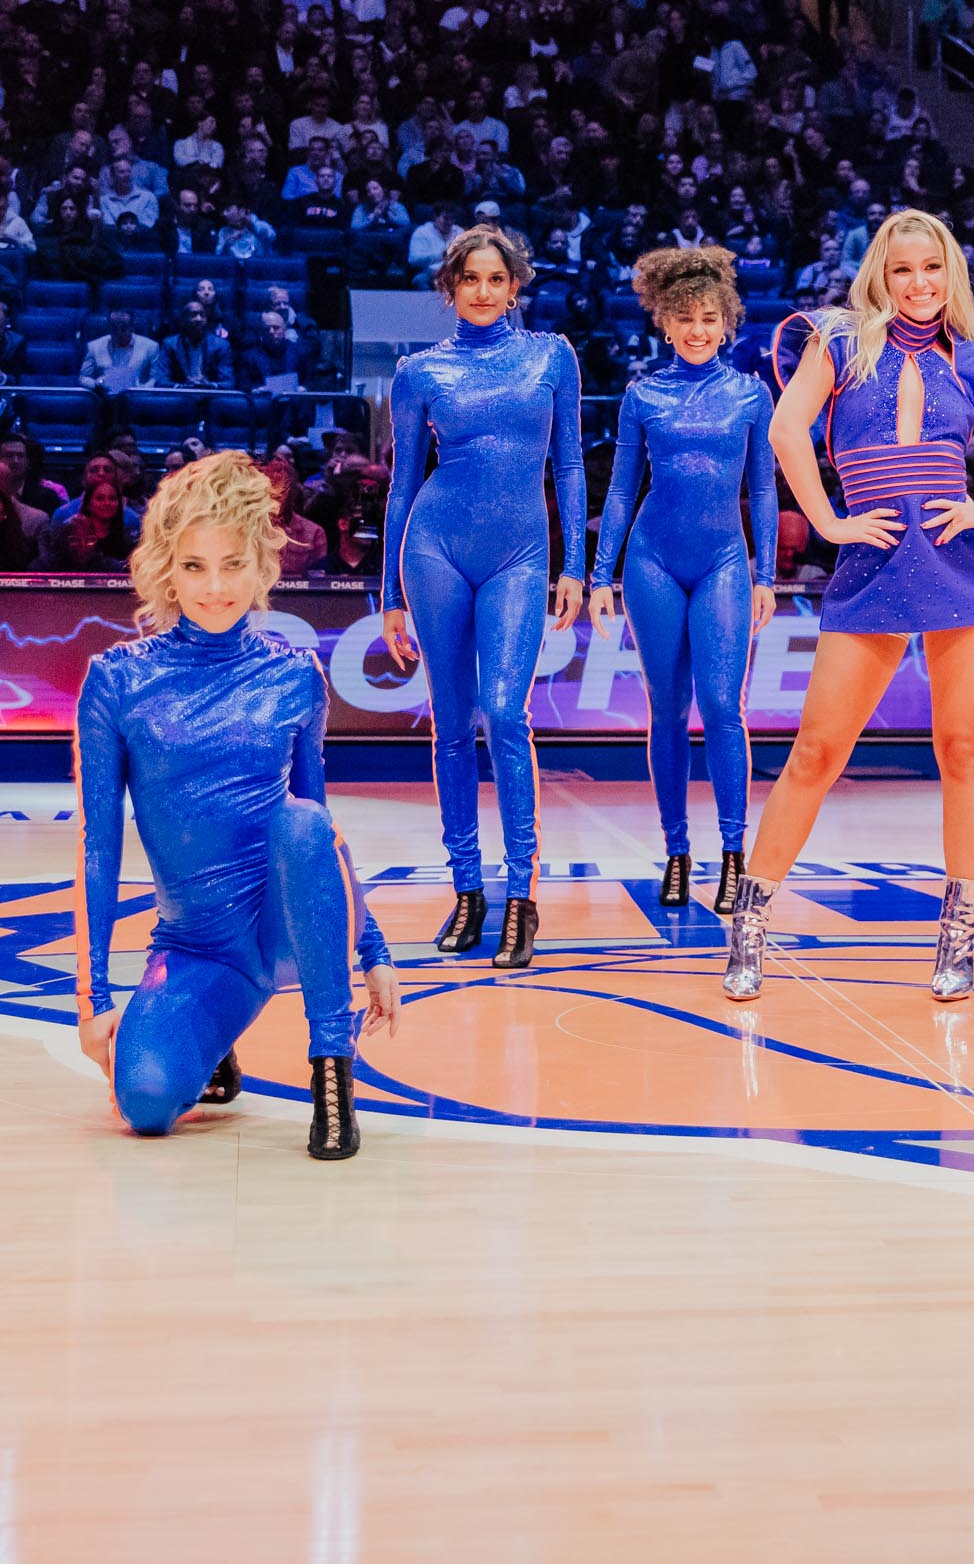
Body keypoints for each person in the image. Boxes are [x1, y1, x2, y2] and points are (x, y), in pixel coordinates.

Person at [723, 209, 974, 1004]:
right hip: (870, 563)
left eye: (931, 269)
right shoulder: (838, 340)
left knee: (962, 750)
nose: (918, 284)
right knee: (817, 752)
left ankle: (959, 937)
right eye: (902, 269)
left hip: (961, 567)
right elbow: (785, 431)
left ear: (950, 274)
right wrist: (825, 520)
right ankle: (748, 924)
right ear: (879, 276)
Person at [76, 452, 399, 1161]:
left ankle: (331, 1070)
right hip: (196, 945)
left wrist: (372, 947)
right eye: (193, 566)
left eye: (232, 564)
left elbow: (322, 831)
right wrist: (94, 995)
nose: (216, 586)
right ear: (165, 565)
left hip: (290, 926)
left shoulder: (294, 673)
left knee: (298, 819)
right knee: (147, 1104)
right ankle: (216, 1039)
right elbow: (99, 849)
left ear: (263, 565)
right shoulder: (116, 680)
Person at [379, 224, 587, 968]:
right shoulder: (419, 371)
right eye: (470, 278)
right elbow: (403, 484)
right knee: (450, 723)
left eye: (496, 278)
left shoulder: (550, 356)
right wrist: (388, 594)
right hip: (434, 547)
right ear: (450, 287)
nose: (483, 289)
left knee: (505, 710)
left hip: (521, 553)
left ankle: (522, 895)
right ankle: (466, 889)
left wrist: (577, 564)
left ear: (515, 285)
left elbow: (569, 467)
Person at [588, 247, 779, 915]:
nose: (697, 330)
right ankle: (676, 850)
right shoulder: (642, 395)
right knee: (666, 710)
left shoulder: (752, 395)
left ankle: (734, 854)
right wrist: (600, 573)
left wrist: (767, 573)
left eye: (708, 318)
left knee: (725, 708)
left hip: (725, 562)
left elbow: (762, 489)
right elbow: (619, 490)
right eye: (684, 319)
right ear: (664, 324)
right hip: (652, 563)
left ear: (726, 323)